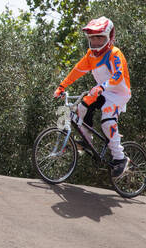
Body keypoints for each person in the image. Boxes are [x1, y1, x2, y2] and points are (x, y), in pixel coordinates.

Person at [54, 16, 132, 177]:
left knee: (107, 123)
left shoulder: (115, 53)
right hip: (101, 91)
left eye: (100, 37)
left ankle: (120, 158)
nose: (96, 42)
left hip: (118, 94)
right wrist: (62, 86)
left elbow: (118, 76)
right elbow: (77, 71)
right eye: (93, 38)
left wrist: (101, 87)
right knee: (82, 107)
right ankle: (87, 141)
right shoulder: (91, 55)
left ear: (109, 37)